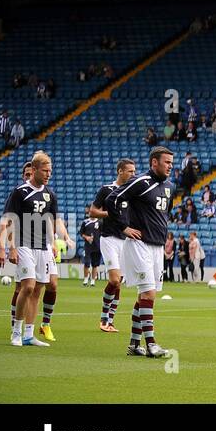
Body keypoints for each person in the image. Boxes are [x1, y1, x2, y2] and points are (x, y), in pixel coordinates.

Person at [112, 146, 176, 358]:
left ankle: (134, 345)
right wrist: (123, 227)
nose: (170, 166)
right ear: (154, 162)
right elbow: (114, 198)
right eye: (166, 162)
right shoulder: (141, 182)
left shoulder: (169, 187)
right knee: (148, 293)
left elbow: (166, 212)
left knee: (146, 296)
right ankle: (151, 345)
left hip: (157, 246)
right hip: (139, 245)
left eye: (171, 163)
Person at [0, 152, 64, 348]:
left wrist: (52, 243)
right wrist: (8, 248)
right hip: (23, 244)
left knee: (37, 291)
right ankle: (15, 332)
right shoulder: (19, 192)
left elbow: (50, 221)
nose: (48, 174)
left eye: (50, 171)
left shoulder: (50, 195)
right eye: (45, 170)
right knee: (27, 286)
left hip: (43, 246)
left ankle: (29, 334)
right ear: (34, 170)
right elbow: (8, 220)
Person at [89, 157, 136, 332]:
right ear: (120, 171)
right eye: (130, 171)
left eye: (134, 171)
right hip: (109, 238)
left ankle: (110, 321)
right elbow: (93, 211)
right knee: (114, 279)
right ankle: (103, 319)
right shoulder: (106, 190)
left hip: (125, 241)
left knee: (119, 282)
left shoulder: (132, 192)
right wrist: (111, 214)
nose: (133, 174)